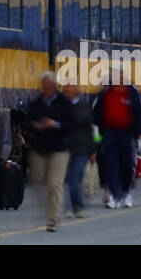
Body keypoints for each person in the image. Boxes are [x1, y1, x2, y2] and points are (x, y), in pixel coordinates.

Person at [92, 68, 141, 209]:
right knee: (111, 165)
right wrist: (97, 138)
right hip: (109, 133)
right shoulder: (105, 94)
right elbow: (95, 116)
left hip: (126, 134)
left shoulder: (131, 93)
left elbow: (139, 113)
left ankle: (126, 193)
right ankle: (114, 196)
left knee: (127, 165)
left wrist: (140, 133)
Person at [24, 72, 72, 232]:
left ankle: (52, 218)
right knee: (37, 180)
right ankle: (50, 207)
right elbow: (27, 122)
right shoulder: (36, 103)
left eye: (49, 87)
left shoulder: (64, 103)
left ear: (55, 87)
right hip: (39, 147)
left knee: (54, 183)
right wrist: (35, 125)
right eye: (44, 87)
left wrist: (56, 125)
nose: (46, 90)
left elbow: (71, 125)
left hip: (59, 148)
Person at [62, 81, 95, 219]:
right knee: (70, 180)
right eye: (66, 86)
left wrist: (94, 148)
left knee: (74, 179)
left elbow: (91, 129)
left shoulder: (82, 106)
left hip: (81, 148)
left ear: (76, 89)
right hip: (64, 148)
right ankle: (74, 207)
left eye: (71, 86)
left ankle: (76, 207)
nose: (68, 89)